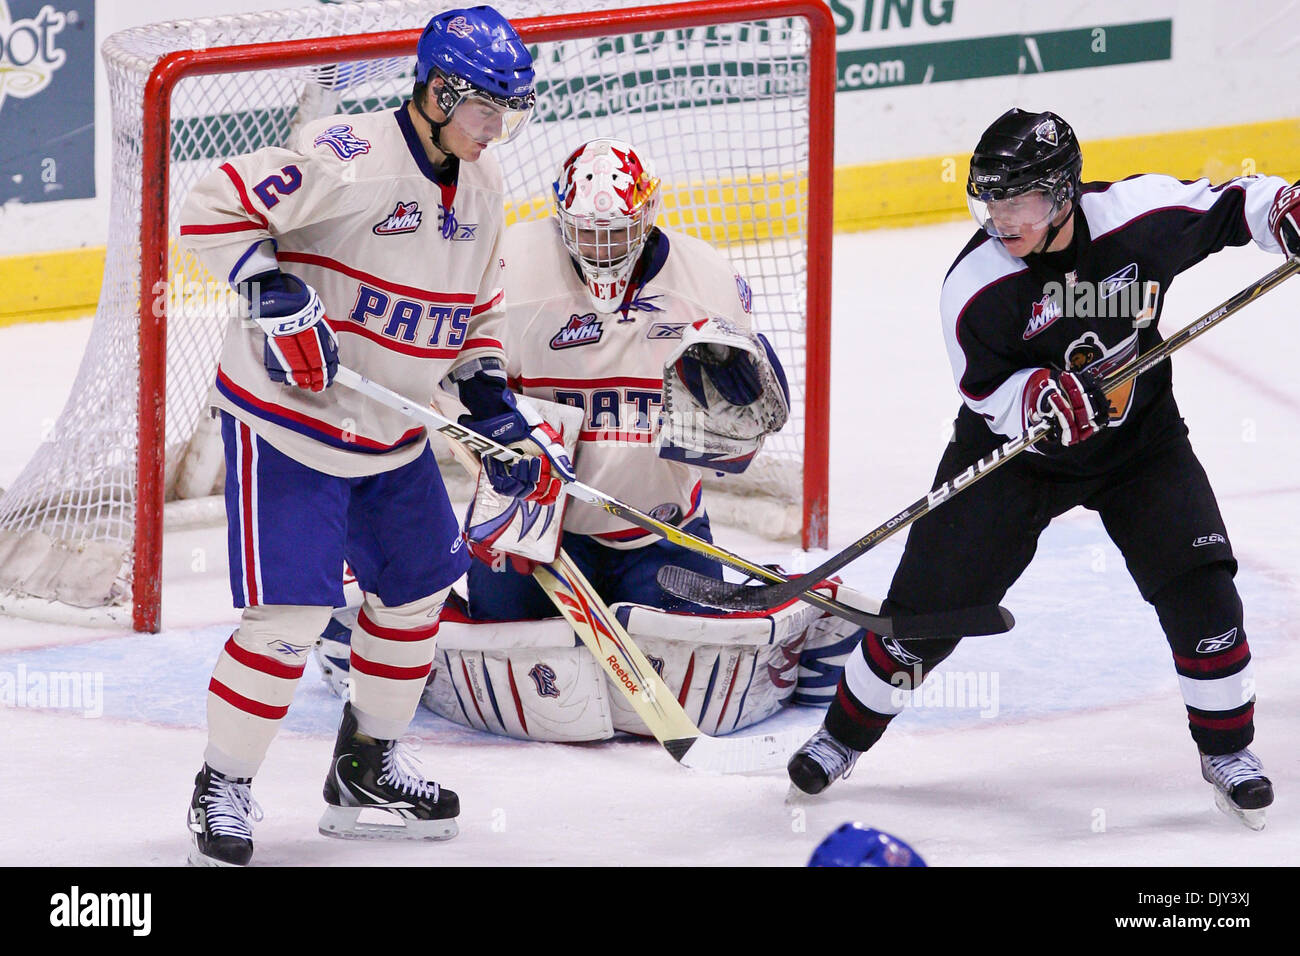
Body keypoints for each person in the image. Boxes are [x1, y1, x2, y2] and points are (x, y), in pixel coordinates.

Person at [787, 108, 1300, 830]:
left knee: (1202, 589)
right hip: (1016, 459)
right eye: (990, 203)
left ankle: (1229, 752)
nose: (1003, 221)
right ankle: (840, 737)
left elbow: (1240, 203)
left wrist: (1285, 211)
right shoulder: (974, 287)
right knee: (925, 613)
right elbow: (980, 391)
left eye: (1018, 202)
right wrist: (1029, 399)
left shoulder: (1136, 217)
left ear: (1062, 194)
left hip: (1140, 447)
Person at [177, 6, 569, 866]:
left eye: (507, 110)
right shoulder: (345, 155)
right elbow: (208, 204)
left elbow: (478, 310)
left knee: (416, 598)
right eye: (482, 109)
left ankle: (367, 767)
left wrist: (490, 395)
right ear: (436, 91)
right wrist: (268, 288)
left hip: (393, 435)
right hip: (288, 426)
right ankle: (225, 782)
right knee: (291, 617)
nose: (495, 127)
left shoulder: (486, 184)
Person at [315, 138, 853, 739]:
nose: (601, 249)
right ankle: (362, 621)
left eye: (618, 232)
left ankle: (794, 617)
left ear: (649, 216)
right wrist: (506, 502)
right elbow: (453, 383)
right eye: (585, 232)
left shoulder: (706, 282)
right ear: (557, 218)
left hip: (660, 525)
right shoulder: (510, 269)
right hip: (535, 530)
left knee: (686, 658)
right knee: (510, 651)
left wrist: (740, 411)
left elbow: (739, 432)